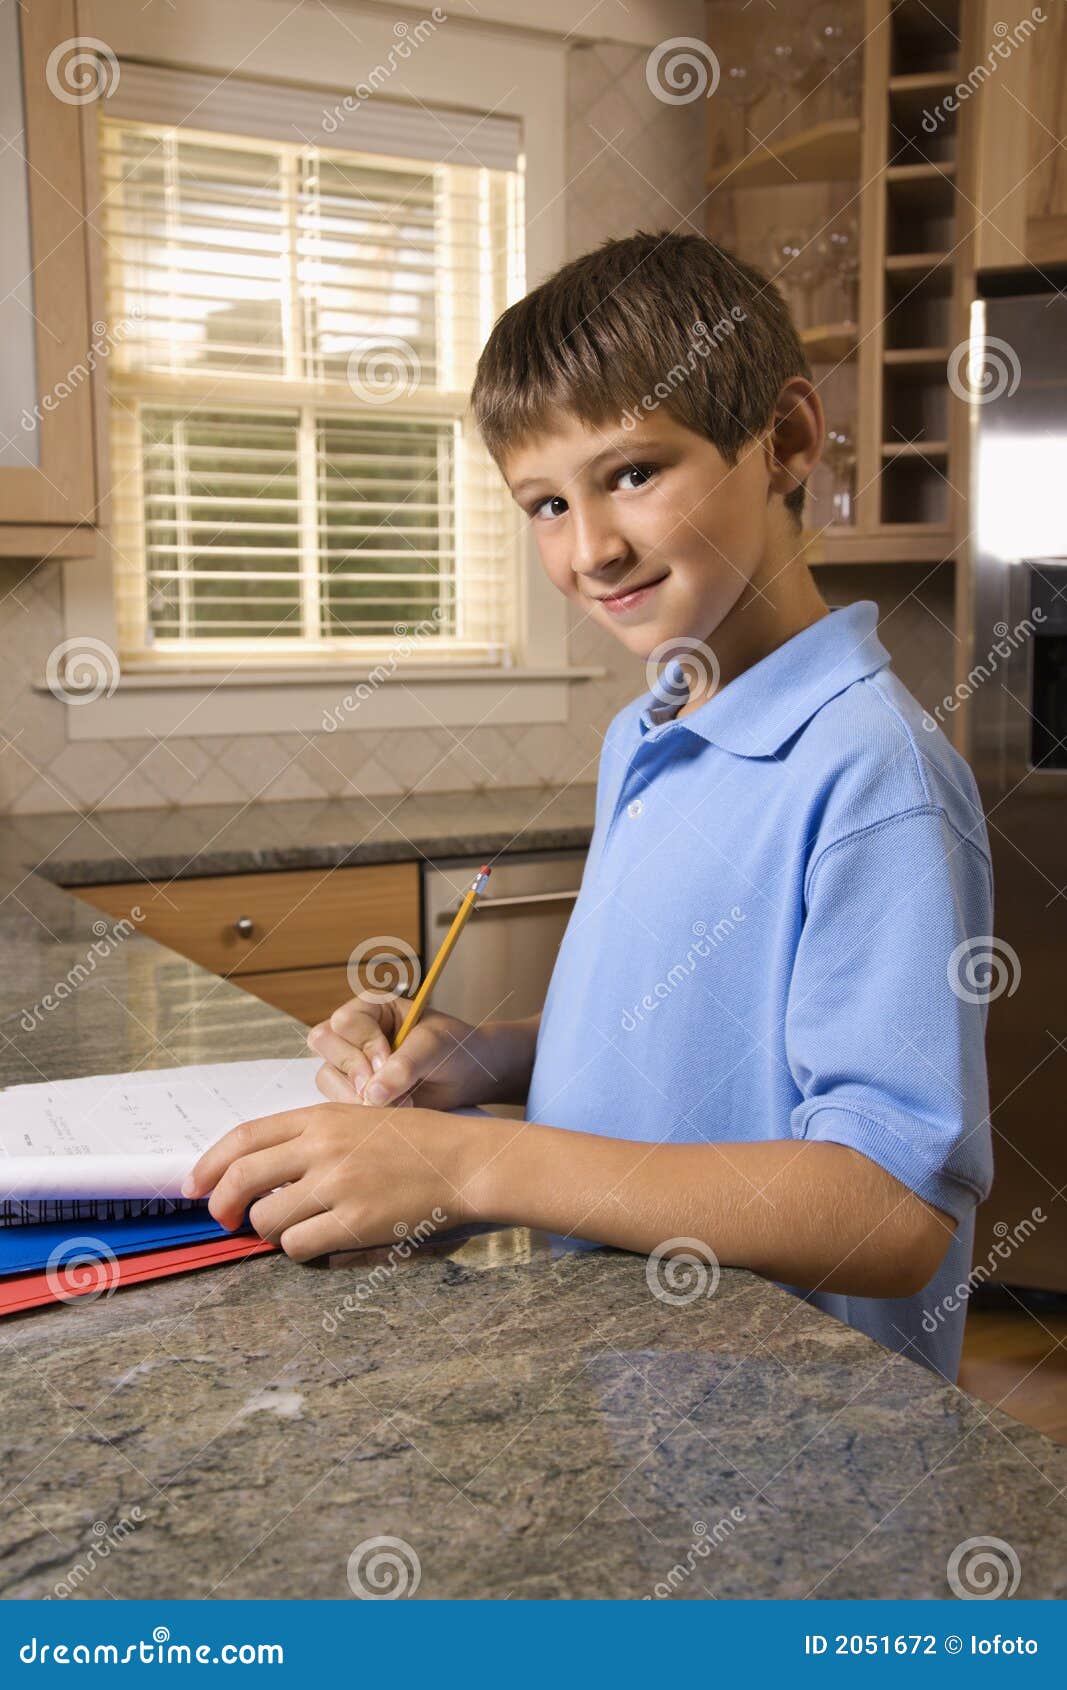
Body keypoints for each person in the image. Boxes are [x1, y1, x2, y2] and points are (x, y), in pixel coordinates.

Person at [184, 231, 994, 1381]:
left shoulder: (871, 776)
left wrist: (469, 1168)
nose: (590, 550)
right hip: (643, 1380)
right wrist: (484, 1060)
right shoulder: (647, 731)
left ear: (788, 439)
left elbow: (888, 1208)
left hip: (796, 1442)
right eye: (545, 503)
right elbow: (693, 1031)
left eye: (631, 474)